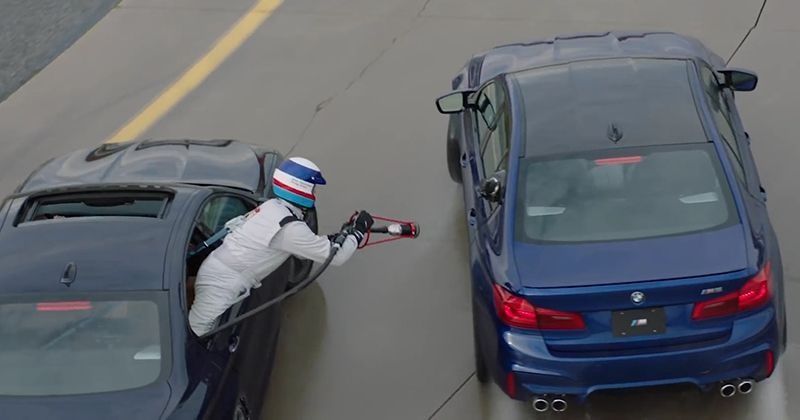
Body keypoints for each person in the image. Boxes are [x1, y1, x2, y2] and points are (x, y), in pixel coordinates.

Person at [188, 157, 373, 336]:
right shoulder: (289, 228)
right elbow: (337, 257)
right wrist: (358, 231)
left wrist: (339, 237)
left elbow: (304, 250)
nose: (315, 193)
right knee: (196, 333)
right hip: (222, 283)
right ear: (302, 188)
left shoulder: (272, 207)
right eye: (313, 188)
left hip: (217, 270)